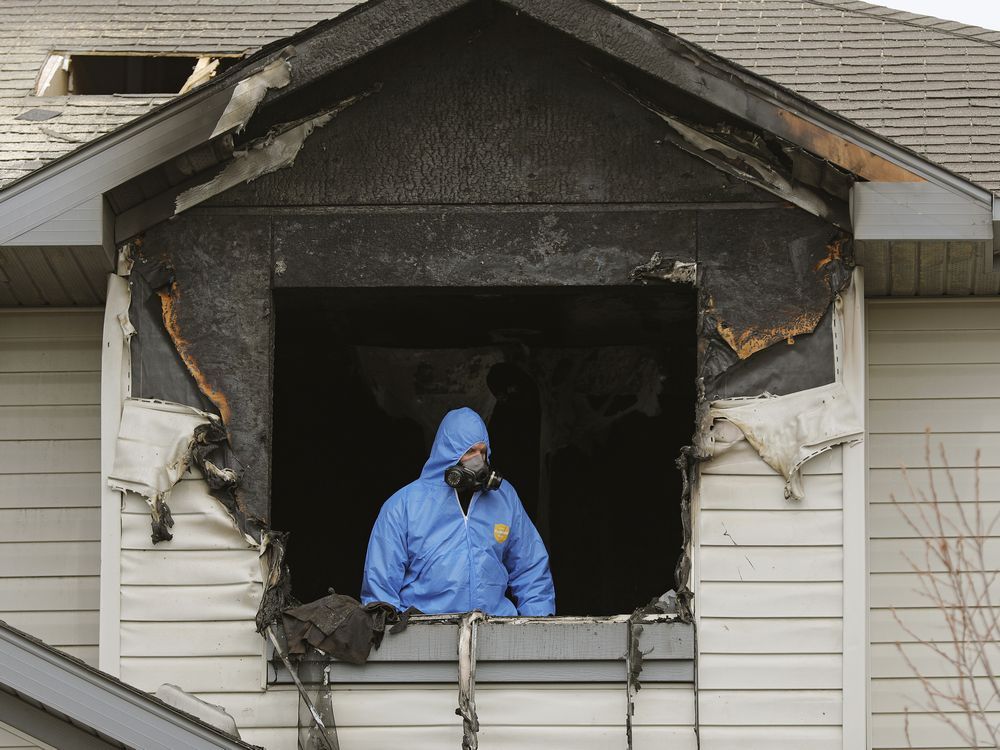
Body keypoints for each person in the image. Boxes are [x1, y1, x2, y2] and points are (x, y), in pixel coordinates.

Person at [361, 407, 555, 616]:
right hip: (425, 631)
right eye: (470, 452)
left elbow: (531, 568)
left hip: (495, 630)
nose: (478, 460)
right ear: (448, 454)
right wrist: (397, 638)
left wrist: (538, 627)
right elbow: (381, 589)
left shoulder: (504, 498)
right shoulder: (403, 505)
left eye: (483, 452)